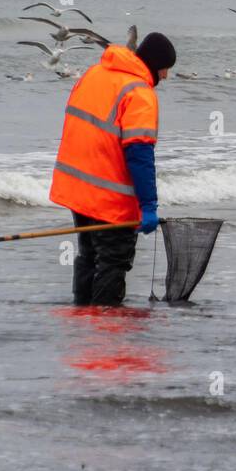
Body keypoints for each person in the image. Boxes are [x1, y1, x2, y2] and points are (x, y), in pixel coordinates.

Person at [49, 32, 176, 306]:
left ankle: (82, 319)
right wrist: (149, 205)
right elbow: (139, 154)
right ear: (155, 64)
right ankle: (107, 329)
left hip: (78, 189)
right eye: (165, 69)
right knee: (113, 260)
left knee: (88, 256)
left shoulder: (94, 74)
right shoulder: (139, 93)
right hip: (109, 198)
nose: (165, 76)